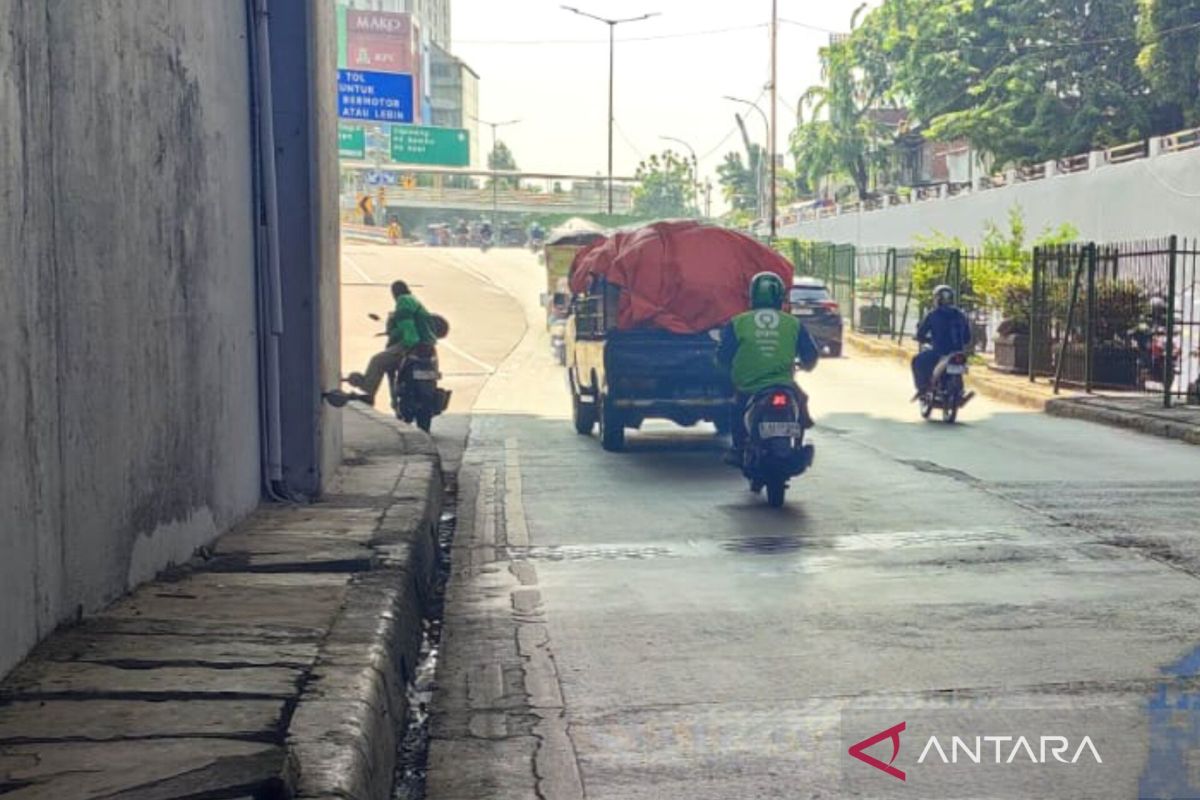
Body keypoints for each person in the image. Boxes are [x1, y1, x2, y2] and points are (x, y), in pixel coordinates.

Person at [717, 272, 820, 464]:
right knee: (802, 399)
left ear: (752, 296)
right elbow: (810, 354)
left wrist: (726, 369)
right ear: (780, 297)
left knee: (736, 408)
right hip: (783, 384)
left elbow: (723, 356)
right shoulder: (793, 323)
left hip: (748, 386)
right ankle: (799, 441)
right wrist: (806, 365)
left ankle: (738, 448)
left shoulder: (738, 323)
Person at [347, 280, 436, 404]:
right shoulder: (414, 301)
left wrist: (404, 341)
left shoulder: (403, 301)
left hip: (412, 344)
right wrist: (396, 332)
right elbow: (407, 326)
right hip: (427, 345)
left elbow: (407, 327)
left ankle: (368, 393)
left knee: (377, 360)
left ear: (395, 293)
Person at [912, 284, 972, 397]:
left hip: (939, 352)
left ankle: (922, 388)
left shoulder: (933, 314)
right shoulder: (961, 315)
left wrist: (927, 340)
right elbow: (967, 337)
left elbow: (920, 334)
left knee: (917, 361)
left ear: (937, 299)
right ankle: (959, 389)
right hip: (959, 352)